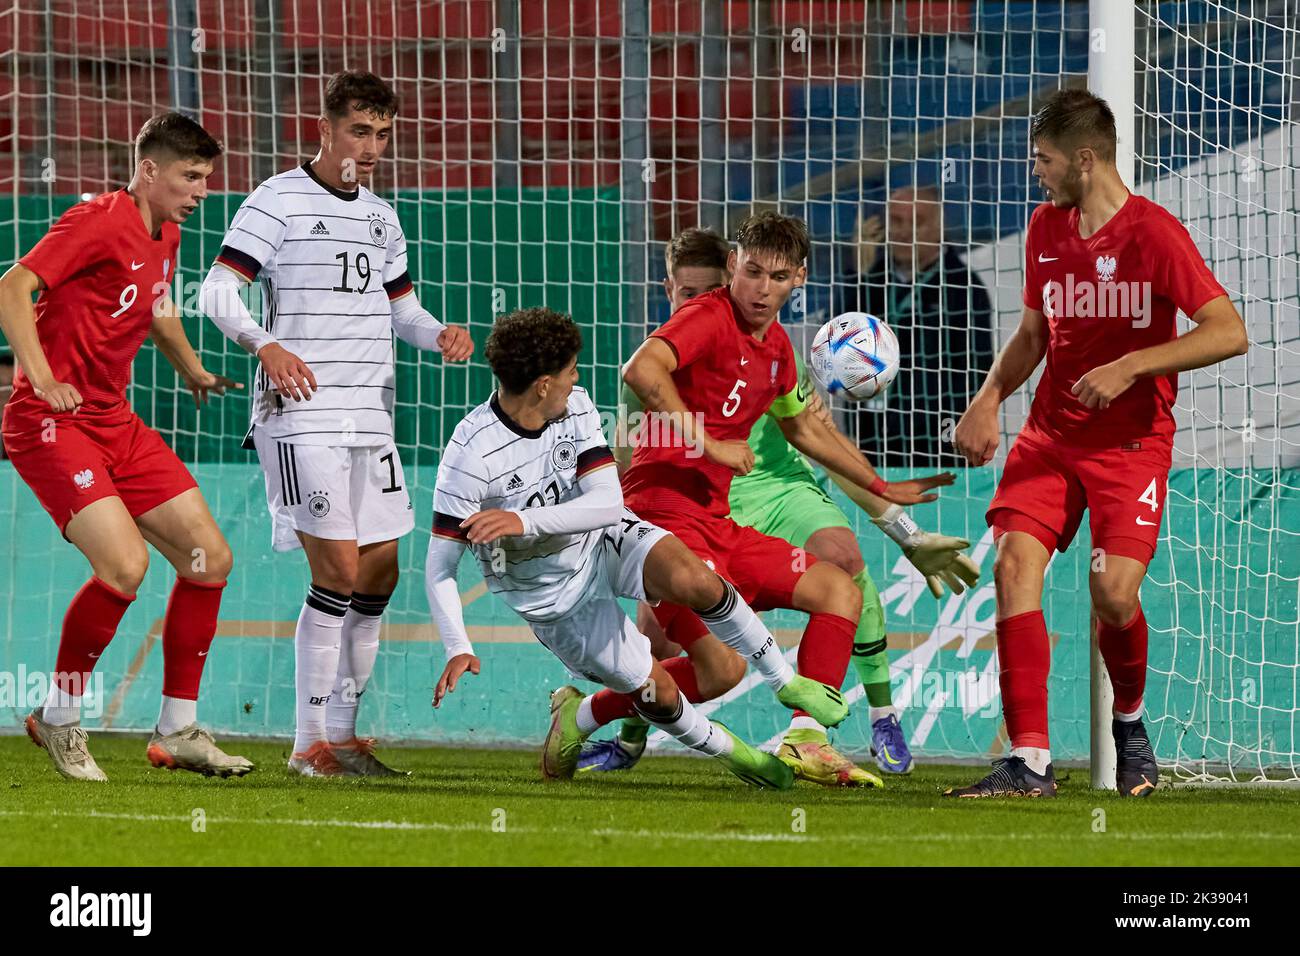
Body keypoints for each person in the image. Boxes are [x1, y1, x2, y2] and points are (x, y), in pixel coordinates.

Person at [584, 227, 979, 778]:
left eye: (775, 277)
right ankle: (616, 730)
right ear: (671, 288)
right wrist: (619, 539)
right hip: (672, 511)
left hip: (756, 494)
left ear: (793, 279)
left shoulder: (775, 352)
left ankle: (826, 730)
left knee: (840, 571)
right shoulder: (680, 344)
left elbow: (809, 433)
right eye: (686, 295)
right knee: (686, 651)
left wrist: (897, 517)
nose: (698, 304)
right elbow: (624, 457)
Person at [950, 89, 1248, 798]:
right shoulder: (1044, 230)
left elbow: (1228, 330)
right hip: (1050, 439)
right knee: (1013, 568)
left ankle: (1132, 720)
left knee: (1112, 596)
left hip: (1129, 447)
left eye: (1044, 160)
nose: (1036, 173)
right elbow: (1032, 337)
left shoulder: (1154, 234)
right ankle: (1028, 762)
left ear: (1085, 160)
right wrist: (989, 399)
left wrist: (1133, 364)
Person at [426, 307, 848, 788]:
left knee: (696, 579)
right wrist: (457, 646)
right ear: (543, 384)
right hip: (555, 597)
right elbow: (440, 568)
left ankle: (784, 680)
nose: (577, 379)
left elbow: (607, 504)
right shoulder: (470, 454)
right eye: (570, 371)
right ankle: (744, 759)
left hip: (603, 539)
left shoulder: (577, 406)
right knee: (659, 695)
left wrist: (521, 520)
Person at [199, 70, 473, 777]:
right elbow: (216, 290)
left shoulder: (383, 217)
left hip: (369, 416)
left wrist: (439, 333)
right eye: (359, 130)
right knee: (339, 569)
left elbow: (401, 310)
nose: (373, 145)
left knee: (379, 574)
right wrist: (266, 343)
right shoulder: (277, 199)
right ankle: (305, 743)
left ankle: (345, 735)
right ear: (324, 129)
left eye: (383, 133)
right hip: (301, 413)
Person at [0, 113, 252, 781]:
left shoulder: (165, 232)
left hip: (114, 421)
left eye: (205, 179)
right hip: (49, 422)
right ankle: (57, 716)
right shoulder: (94, 222)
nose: (200, 191)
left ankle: (177, 730)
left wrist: (191, 367)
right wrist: (44, 377)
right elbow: (13, 287)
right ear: (148, 171)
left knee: (208, 558)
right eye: (189, 177)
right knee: (126, 568)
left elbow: (156, 305)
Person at [836, 185, 994, 468]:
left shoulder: (963, 286)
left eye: (917, 221)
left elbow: (979, 370)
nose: (904, 231)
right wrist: (857, 274)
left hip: (941, 445)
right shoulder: (871, 280)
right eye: (896, 221)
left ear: (939, 228)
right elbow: (837, 344)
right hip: (874, 441)